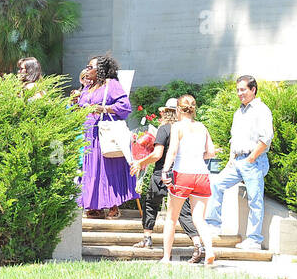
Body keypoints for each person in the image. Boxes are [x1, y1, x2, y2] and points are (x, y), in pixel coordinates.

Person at [206, 74, 274, 251]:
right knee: (216, 184)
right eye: (238, 90)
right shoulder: (239, 112)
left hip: (254, 161)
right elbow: (234, 138)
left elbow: (266, 139)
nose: (240, 93)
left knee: (255, 200)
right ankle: (213, 226)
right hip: (237, 161)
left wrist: (252, 158)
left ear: (253, 89)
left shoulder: (262, 110)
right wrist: (231, 159)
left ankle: (254, 240)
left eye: (243, 89)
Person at [130, 98, 199, 256]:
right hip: (182, 174)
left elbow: (157, 154)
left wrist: (140, 162)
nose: (160, 114)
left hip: (162, 173)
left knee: (150, 204)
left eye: (162, 111)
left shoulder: (165, 129)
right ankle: (197, 242)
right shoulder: (188, 128)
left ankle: (147, 237)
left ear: (166, 112)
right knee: (184, 210)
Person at [159, 94, 221, 264]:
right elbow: (211, 152)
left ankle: (166, 257)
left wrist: (165, 171)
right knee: (199, 219)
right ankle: (209, 250)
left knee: (171, 218)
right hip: (201, 175)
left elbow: (172, 151)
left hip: (183, 174)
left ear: (178, 109)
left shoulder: (177, 126)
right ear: (194, 109)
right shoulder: (202, 127)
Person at [77, 54, 136, 219]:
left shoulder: (112, 84)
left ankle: (113, 205)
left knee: (107, 168)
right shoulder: (88, 87)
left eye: (91, 67)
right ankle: (94, 205)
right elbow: (82, 106)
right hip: (90, 134)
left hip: (106, 133)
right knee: (92, 170)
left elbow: (124, 106)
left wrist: (104, 109)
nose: (87, 70)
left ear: (100, 69)